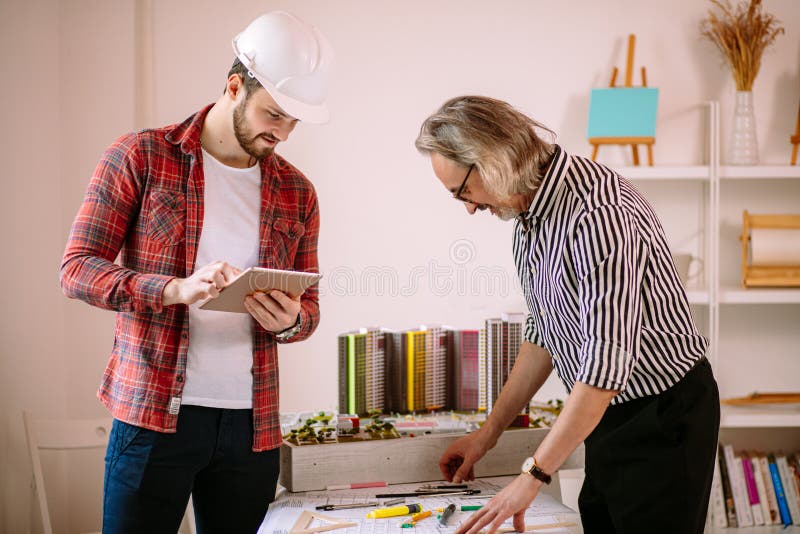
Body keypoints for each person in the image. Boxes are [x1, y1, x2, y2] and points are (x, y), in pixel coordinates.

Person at [60, 11, 333, 533]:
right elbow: (76, 269)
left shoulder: (299, 192)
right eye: (274, 115)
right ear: (235, 87)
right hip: (152, 414)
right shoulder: (140, 156)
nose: (283, 133)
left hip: (253, 427)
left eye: (293, 122)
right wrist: (174, 289)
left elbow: (310, 313)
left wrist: (289, 321)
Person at [415, 96, 719, 534]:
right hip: (606, 413)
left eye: (463, 191)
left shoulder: (598, 214)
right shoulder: (530, 216)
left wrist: (533, 476)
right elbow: (544, 334)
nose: (468, 207)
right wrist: (487, 435)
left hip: (662, 415)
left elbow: (603, 368)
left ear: (491, 161)